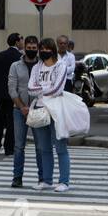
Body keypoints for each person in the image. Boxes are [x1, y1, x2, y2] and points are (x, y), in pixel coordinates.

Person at [28, 37, 72, 192]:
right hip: (40, 110)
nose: (43, 51)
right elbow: (30, 89)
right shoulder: (36, 67)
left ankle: (64, 182)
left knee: (60, 147)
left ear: (52, 50)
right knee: (44, 148)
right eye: (42, 49)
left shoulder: (61, 66)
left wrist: (41, 88)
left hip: (56, 110)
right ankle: (46, 180)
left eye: (47, 49)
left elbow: (58, 89)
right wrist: (47, 88)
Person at [7, 35, 40, 188]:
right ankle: (17, 177)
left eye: (34, 48)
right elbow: (12, 89)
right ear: (24, 47)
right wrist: (22, 107)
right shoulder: (15, 66)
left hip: (39, 110)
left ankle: (43, 178)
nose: (31, 50)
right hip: (19, 110)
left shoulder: (42, 65)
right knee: (19, 146)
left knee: (41, 146)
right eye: (29, 47)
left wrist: (34, 107)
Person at [0, 33, 22, 155]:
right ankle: (9, 147)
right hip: (13, 94)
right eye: (21, 40)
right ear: (17, 42)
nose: (23, 42)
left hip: (0, 94)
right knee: (11, 121)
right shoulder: (20, 57)